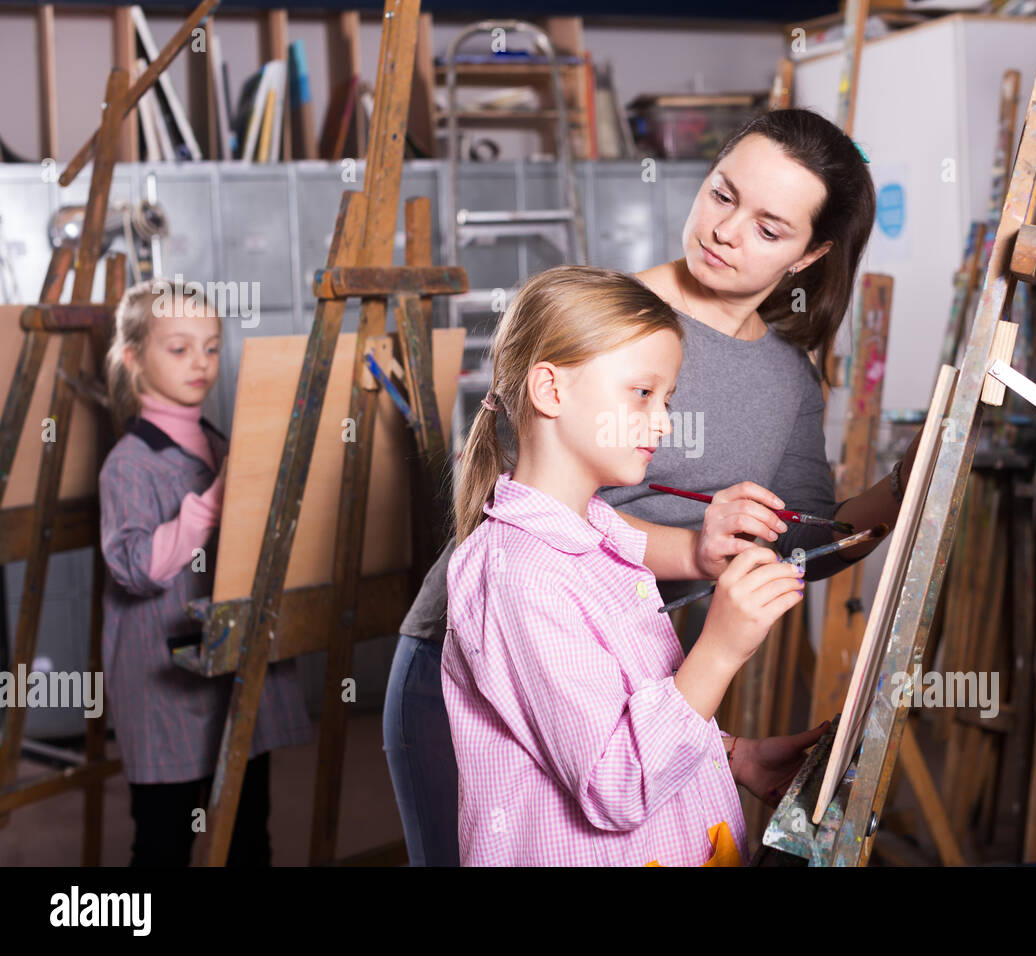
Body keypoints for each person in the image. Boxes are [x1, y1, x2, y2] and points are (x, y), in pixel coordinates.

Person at [384, 108, 919, 865]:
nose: (726, 231)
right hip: (482, 656)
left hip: (631, 685)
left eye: (770, 229)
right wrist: (697, 551)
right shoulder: (609, 318)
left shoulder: (787, 377)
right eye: (722, 195)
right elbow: (532, 503)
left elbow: (799, 539)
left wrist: (904, 489)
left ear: (811, 255)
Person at [444, 265, 823, 865]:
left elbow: (615, 707)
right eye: (643, 393)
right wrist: (720, 649)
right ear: (550, 390)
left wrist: (728, 751)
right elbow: (614, 782)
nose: (665, 421)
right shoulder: (522, 575)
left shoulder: (601, 535)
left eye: (666, 399)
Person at [100, 279, 311, 866]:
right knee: (165, 841)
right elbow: (136, 568)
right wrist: (219, 498)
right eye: (179, 348)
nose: (201, 362)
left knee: (247, 834)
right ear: (135, 357)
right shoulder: (129, 465)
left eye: (212, 347)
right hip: (163, 688)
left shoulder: (220, 443)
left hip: (230, 676)